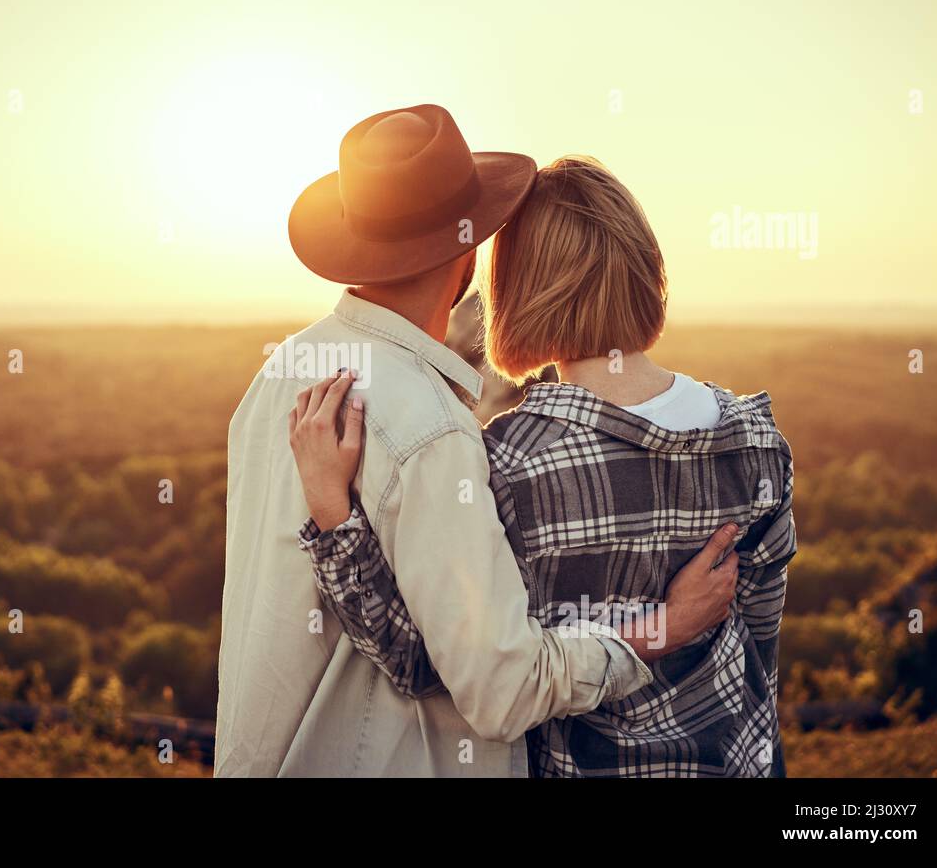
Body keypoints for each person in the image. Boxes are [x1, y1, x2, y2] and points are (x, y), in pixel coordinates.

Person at [215, 106, 740, 777]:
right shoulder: (432, 431)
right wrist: (660, 629)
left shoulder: (282, 370)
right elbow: (504, 690)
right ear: (467, 251)